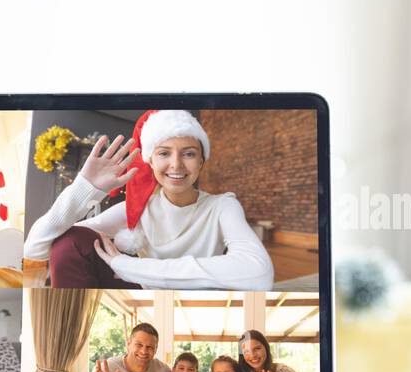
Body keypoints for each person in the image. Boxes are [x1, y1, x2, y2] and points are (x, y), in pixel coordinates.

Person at [23, 110, 275, 290]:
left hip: (190, 302)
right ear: (150, 161)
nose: (176, 164)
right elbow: (36, 249)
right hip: (143, 295)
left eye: (188, 154)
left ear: (201, 161)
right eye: (164, 153)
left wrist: (129, 267)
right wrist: (84, 189)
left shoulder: (222, 206)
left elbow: (259, 273)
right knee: (70, 241)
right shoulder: (136, 210)